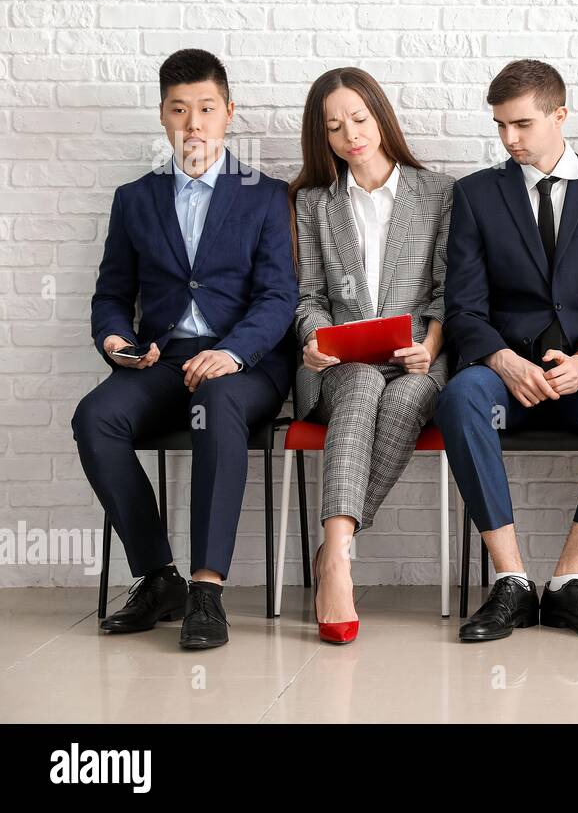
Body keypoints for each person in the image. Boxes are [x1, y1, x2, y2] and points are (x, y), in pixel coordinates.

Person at [71, 49, 297, 649]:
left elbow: (279, 297)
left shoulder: (266, 195)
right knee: (95, 416)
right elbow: (112, 294)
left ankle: (207, 589)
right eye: (179, 110)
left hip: (244, 364)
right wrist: (116, 340)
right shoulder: (135, 198)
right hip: (164, 359)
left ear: (228, 113)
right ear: (163, 117)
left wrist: (235, 352)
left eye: (205, 109)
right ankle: (158, 575)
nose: (193, 123)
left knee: (219, 399)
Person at [438, 59, 578, 642]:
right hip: (504, 376)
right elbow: (463, 306)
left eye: (521, 124)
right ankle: (510, 580)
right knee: (461, 397)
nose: (509, 139)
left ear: (560, 116)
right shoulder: (475, 195)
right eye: (499, 126)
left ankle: (568, 580)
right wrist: (503, 361)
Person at [290, 67, 455, 644]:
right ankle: (338, 559)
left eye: (359, 119)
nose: (350, 134)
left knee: (409, 394)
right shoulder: (312, 202)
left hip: (415, 359)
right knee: (361, 384)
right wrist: (315, 342)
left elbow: (444, 293)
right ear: (323, 137)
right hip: (338, 367)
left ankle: (332, 550)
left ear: (381, 117)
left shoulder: (437, 193)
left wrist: (429, 346)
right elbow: (309, 297)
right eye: (334, 127)